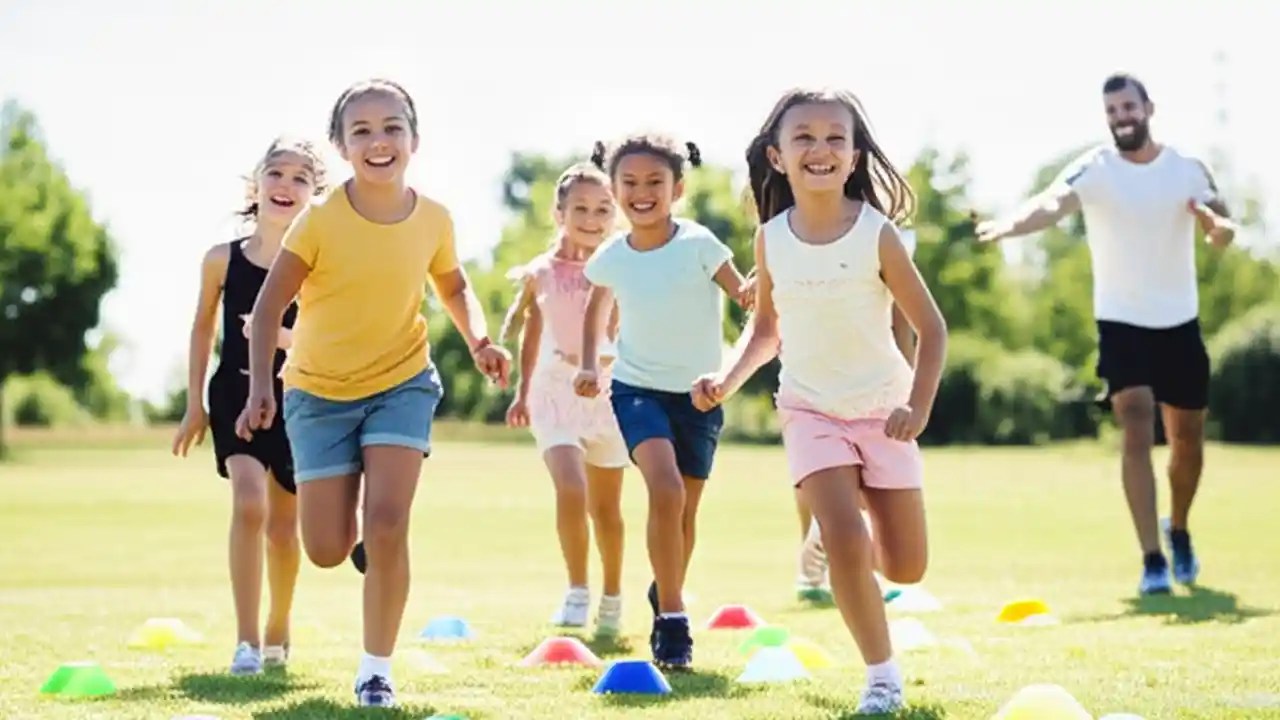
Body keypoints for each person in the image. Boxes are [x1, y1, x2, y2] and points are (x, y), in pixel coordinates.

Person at [235, 78, 512, 708]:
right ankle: (358, 524)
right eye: (360, 131)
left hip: (401, 382)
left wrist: (480, 340)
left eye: (392, 127)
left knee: (388, 525)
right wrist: (259, 390)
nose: (378, 141)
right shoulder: (320, 220)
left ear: (415, 139)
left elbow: (455, 284)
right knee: (327, 549)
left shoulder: (435, 217)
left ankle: (375, 670)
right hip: (318, 394)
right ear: (340, 145)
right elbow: (270, 300)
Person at [693, 87, 946, 714]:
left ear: (856, 155)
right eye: (803, 137)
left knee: (907, 567)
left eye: (836, 137)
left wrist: (918, 404)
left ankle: (833, 539)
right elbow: (766, 331)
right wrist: (726, 378)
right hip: (809, 408)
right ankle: (881, 677)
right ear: (777, 157)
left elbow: (933, 329)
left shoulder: (877, 235)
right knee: (844, 538)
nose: (820, 149)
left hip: (884, 411)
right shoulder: (770, 238)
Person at [975, 72, 1236, 596]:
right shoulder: (1094, 169)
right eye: (1113, 111)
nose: (1121, 118)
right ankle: (1153, 560)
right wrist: (1008, 226)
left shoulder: (1186, 168)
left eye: (1128, 108)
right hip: (1120, 323)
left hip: (1179, 322)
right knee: (1136, 426)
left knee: (1187, 442)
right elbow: (1049, 204)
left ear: (1149, 108)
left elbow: (1222, 221)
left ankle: (1179, 529)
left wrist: (1218, 228)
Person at [573, 134, 751, 669]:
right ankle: (674, 621)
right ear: (615, 188)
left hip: (699, 395)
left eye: (655, 182)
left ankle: (665, 590)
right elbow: (594, 309)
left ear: (678, 188)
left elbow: (740, 292)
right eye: (629, 182)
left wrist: (755, 292)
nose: (642, 192)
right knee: (665, 487)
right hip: (636, 390)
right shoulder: (612, 256)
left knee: (684, 513)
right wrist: (588, 362)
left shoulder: (699, 244)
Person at [172, 136, 326, 676]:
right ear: (255, 185)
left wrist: (282, 341)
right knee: (249, 502)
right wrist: (195, 405)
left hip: (299, 399)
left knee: (285, 529)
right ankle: (246, 642)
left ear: (316, 195)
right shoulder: (221, 260)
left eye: (301, 178)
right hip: (234, 392)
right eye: (277, 174)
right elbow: (201, 328)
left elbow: (327, 334)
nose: (286, 186)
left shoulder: (318, 267)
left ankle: (279, 626)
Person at [499, 162, 628, 636]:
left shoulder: (621, 265)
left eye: (602, 210)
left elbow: (626, 328)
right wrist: (520, 392)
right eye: (581, 209)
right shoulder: (542, 273)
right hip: (553, 393)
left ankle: (612, 596)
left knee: (607, 510)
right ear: (559, 213)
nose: (592, 220)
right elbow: (529, 332)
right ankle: (577, 590)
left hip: (608, 397)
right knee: (571, 487)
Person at [792, 226, 919, 603]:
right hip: (813, 379)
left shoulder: (889, 236)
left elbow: (903, 322)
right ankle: (821, 565)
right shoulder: (792, 230)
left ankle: (832, 556)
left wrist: (908, 392)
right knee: (819, 479)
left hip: (876, 382)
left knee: (869, 480)